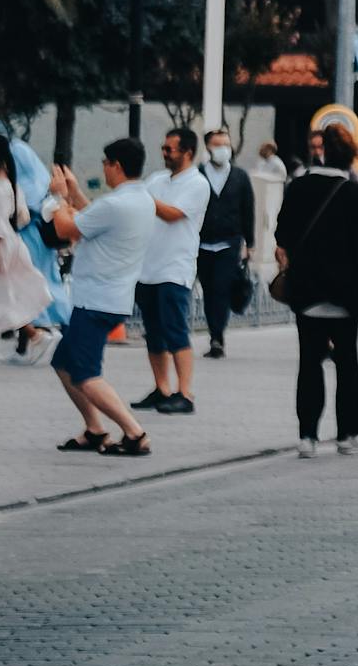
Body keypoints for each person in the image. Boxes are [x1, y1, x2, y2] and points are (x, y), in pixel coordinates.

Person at [39, 142, 158, 455]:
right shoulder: (138, 199)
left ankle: (134, 432)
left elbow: (66, 228)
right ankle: (94, 429)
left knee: (86, 374)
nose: (103, 167)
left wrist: (60, 196)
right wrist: (76, 193)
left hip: (96, 301)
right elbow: (94, 216)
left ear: (116, 166)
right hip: (109, 296)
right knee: (63, 362)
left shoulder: (117, 204)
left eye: (106, 162)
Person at [275, 117, 358, 453]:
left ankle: (307, 436)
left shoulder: (297, 188)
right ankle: (350, 433)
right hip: (345, 289)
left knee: (309, 361)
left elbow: (282, 240)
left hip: (307, 287)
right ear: (350, 157)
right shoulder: (353, 192)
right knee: (347, 359)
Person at [133, 123, 206, 416]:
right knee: (153, 333)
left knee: (176, 331)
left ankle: (184, 392)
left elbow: (173, 214)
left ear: (187, 152)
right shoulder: (157, 179)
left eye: (169, 149)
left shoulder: (197, 184)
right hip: (148, 267)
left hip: (175, 268)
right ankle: (161, 387)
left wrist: (142, 199)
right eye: (163, 148)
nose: (164, 153)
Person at [0, 129, 56, 362]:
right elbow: (21, 217)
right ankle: (35, 336)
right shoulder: (10, 185)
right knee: (4, 295)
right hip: (9, 242)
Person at [196, 125, 255, 361]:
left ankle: (217, 337)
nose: (223, 149)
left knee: (221, 288)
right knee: (209, 289)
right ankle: (214, 331)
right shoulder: (199, 175)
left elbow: (248, 210)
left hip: (229, 243)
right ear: (209, 148)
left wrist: (249, 243)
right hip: (202, 243)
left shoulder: (240, 177)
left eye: (226, 145)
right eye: (218, 145)